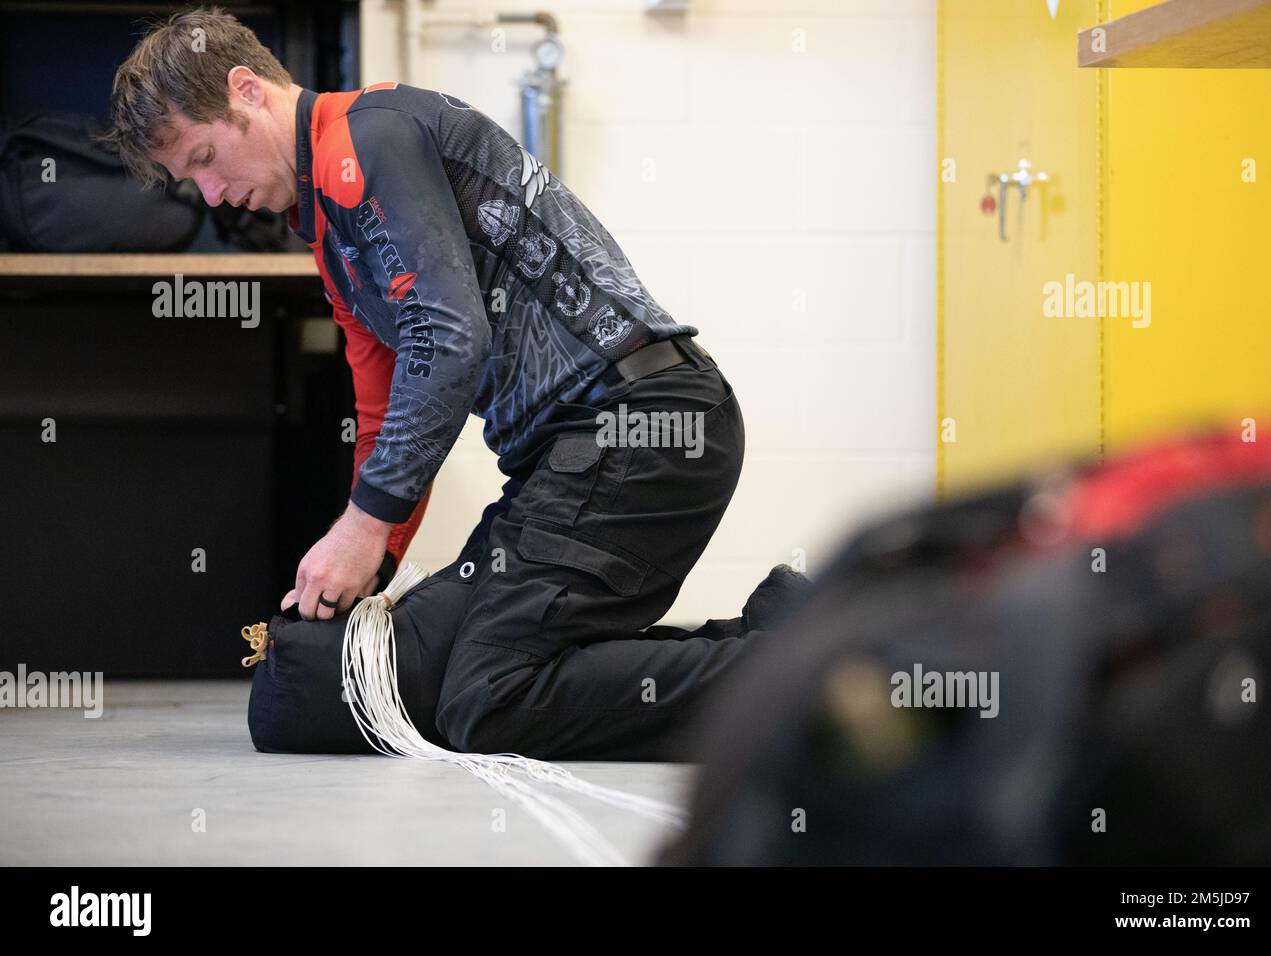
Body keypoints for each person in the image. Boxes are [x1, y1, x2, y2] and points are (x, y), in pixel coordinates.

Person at [107, 7, 808, 758]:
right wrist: (369, 557)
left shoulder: (366, 137)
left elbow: (448, 341)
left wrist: (365, 526)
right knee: (452, 669)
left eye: (206, 158)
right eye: (192, 182)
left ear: (247, 91)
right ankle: (778, 636)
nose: (211, 196)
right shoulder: (333, 239)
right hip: (574, 455)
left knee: (488, 697)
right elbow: (379, 411)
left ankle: (813, 684)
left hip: (642, 426)